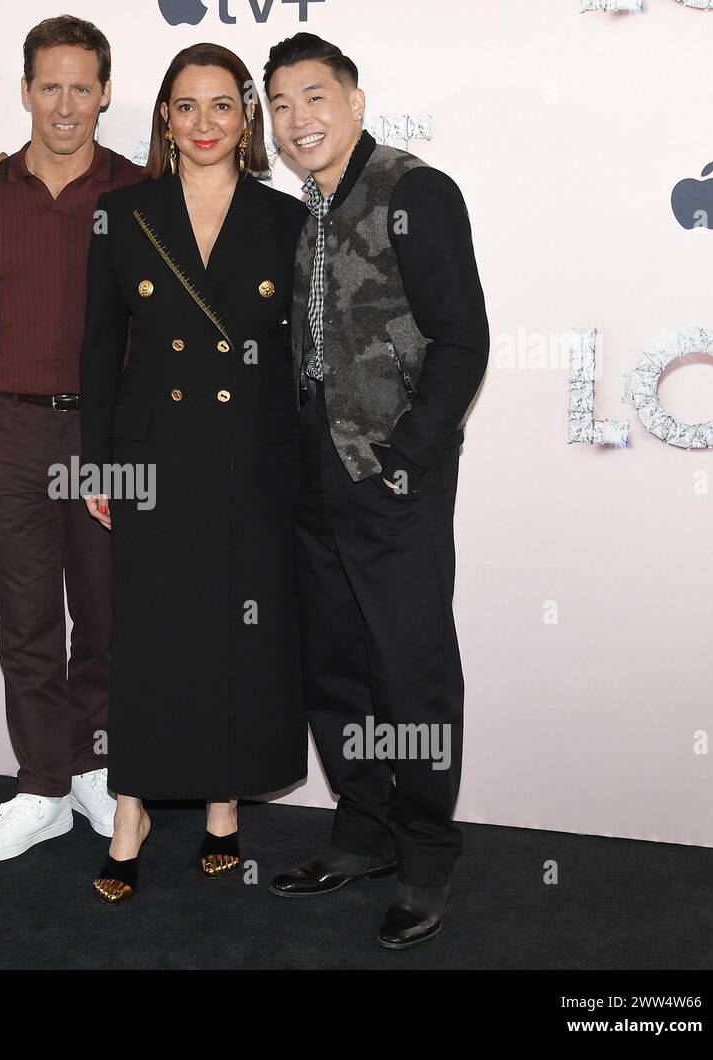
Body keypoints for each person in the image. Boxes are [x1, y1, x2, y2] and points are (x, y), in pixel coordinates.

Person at [262, 33, 488, 948]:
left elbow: (462, 341)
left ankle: (426, 853)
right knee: (336, 669)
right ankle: (361, 832)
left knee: (411, 673)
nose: (297, 119)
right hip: (315, 477)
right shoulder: (307, 207)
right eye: (280, 105)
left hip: (392, 480)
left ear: (355, 101)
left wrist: (406, 461)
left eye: (313, 97)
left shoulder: (415, 191)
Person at [77, 43, 310, 902]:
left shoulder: (287, 219)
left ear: (246, 117)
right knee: (148, 630)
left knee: (239, 634)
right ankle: (131, 808)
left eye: (222, 106)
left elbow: (302, 357)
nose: (204, 123)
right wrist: (97, 461)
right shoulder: (121, 211)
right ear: (163, 120)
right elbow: (101, 345)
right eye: (186, 106)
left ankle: (222, 806)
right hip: (154, 454)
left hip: (253, 458)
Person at [0, 16, 144, 862]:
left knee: (104, 615)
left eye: (81, 87)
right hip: (14, 429)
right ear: (25, 91)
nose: (65, 105)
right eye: (49, 86)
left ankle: (95, 768)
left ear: (105, 93)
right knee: (27, 618)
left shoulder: (143, 193)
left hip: (108, 433)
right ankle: (40, 787)